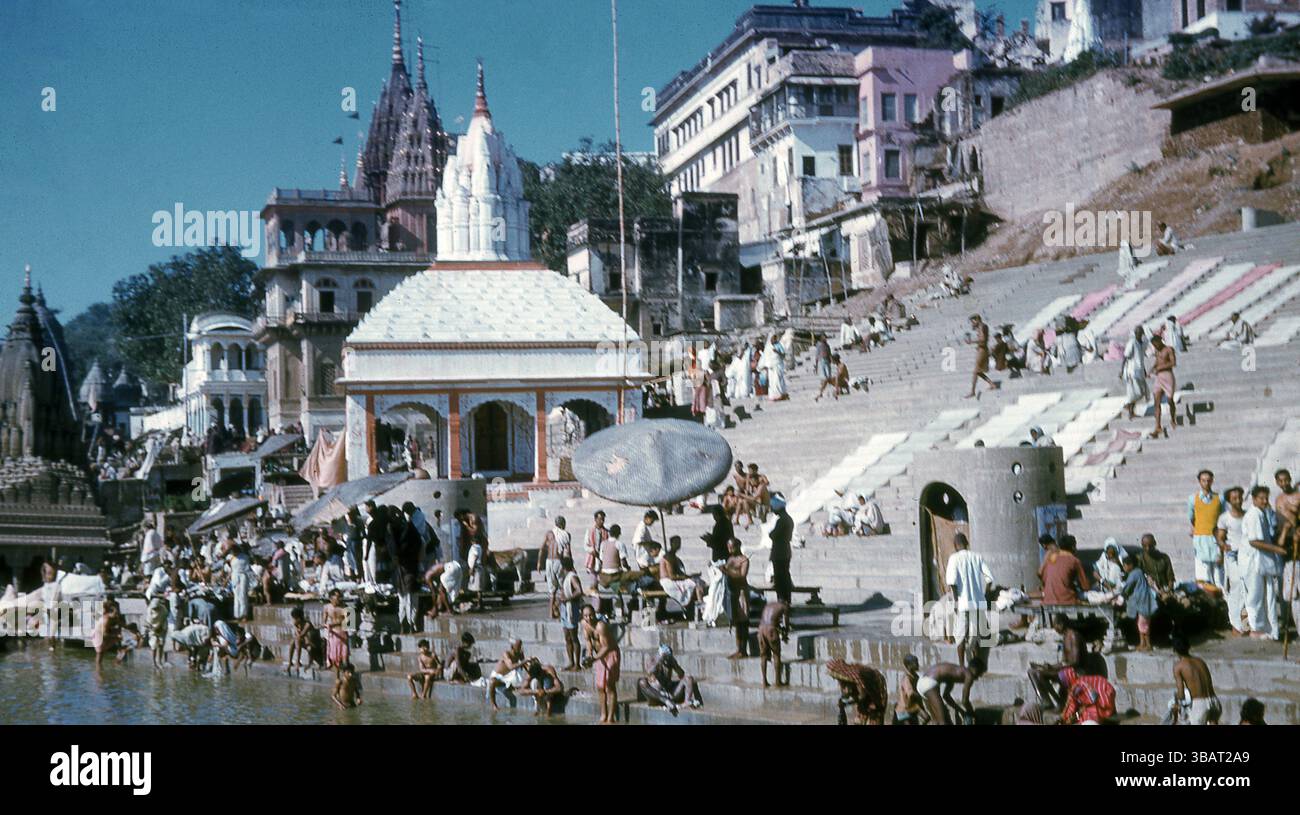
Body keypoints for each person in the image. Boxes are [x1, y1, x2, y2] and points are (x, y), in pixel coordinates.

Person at [1241, 485, 1284, 640]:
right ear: (1253, 499)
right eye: (1261, 498)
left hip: (1261, 561)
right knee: (1255, 597)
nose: (1265, 501)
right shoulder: (1253, 515)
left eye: (1266, 498)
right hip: (1252, 562)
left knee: (1266, 595)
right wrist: (1276, 549)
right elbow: (1254, 541)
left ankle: (1266, 628)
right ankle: (1255, 628)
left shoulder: (1262, 513)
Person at [945, 532, 993, 667]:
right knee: (975, 636)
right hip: (977, 603)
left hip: (963, 604)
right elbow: (989, 579)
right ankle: (975, 665)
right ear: (967, 543)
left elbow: (952, 582)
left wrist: (955, 601)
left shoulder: (954, 559)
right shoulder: (977, 557)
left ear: (955, 546)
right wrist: (984, 595)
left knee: (960, 637)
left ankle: (961, 666)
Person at [1217, 486, 1251, 636]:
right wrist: (1223, 546)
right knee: (1236, 588)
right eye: (1234, 498)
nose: (1237, 500)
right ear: (1229, 500)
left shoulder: (1248, 515)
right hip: (1233, 557)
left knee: (1249, 589)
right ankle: (1235, 626)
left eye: (1239, 497)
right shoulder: (1225, 518)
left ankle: (1246, 625)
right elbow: (1220, 537)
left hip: (1248, 555)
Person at [637, 644, 702, 715]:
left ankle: (687, 701)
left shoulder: (670, 661)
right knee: (642, 682)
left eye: (669, 656)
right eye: (666, 657)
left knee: (688, 679)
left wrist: (675, 665)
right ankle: (666, 701)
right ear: (660, 655)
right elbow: (649, 672)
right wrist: (659, 661)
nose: (667, 659)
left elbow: (681, 675)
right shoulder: (652, 660)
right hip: (656, 695)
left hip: (670, 692)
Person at [917, 657, 985, 725]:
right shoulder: (969, 675)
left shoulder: (954, 672)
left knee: (935, 721)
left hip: (921, 682)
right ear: (976, 669)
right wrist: (971, 713)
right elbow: (965, 701)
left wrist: (960, 710)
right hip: (929, 684)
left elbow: (946, 696)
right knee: (942, 722)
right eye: (980, 673)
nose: (979, 677)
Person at [1169, 635, 1220, 724]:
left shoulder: (1178, 666)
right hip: (1213, 701)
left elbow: (1181, 694)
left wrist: (1176, 702)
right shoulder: (1200, 661)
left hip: (1199, 705)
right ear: (1188, 646)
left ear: (1175, 650)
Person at [584, 604, 621, 723]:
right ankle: (603, 715)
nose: (589, 618)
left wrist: (593, 659)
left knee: (610, 686)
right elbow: (588, 642)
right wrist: (589, 656)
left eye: (591, 615)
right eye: (586, 616)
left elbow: (606, 647)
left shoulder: (601, 626)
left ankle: (611, 717)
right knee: (600, 687)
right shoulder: (584, 625)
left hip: (610, 654)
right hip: (599, 656)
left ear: (594, 614)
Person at [1188, 469, 1225, 588]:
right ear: (1199, 482)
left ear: (1212, 481)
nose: (1206, 483)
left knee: (1218, 575)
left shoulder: (1219, 498)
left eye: (1209, 480)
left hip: (1215, 539)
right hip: (1200, 538)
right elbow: (1192, 517)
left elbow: (1222, 517)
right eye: (1203, 480)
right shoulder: (1193, 499)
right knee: (1203, 574)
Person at [826, 659, 890, 725]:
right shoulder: (847, 681)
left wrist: (848, 702)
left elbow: (861, 696)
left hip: (874, 704)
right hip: (864, 707)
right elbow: (849, 695)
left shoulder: (859, 681)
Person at [1119, 554, 1158, 652]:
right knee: (1143, 623)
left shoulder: (1134, 574)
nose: (1124, 568)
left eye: (1124, 566)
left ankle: (1147, 644)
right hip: (1145, 600)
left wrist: (1121, 593)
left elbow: (1127, 587)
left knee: (1142, 624)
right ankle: (1143, 643)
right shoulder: (1139, 571)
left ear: (1130, 565)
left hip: (1142, 601)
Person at [1038, 534, 1089, 605]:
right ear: (1073, 547)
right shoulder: (1074, 560)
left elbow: (1042, 575)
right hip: (1066, 599)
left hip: (1047, 598)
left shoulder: (1051, 557)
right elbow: (1085, 586)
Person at [723, 538, 750, 658]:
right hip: (732, 593)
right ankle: (738, 649)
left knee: (743, 621)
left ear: (738, 546)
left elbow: (742, 575)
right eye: (728, 547)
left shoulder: (744, 560)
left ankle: (743, 650)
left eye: (731, 547)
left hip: (742, 593)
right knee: (737, 623)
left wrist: (728, 571)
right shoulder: (730, 559)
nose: (729, 550)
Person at [556, 556, 584, 670]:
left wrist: (568, 598)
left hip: (571, 609)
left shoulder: (572, 577)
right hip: (564, 611)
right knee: (567, 637)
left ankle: (577, 664)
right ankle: (571, 662)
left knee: (573, 637)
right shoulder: (566, 577)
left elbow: (579, 590)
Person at [486, 639, 528, 710]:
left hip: (509, 677)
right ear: (512, 647)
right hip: (498, 677)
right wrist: (524, 661)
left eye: (521, 646)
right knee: (492, 682)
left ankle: (511, 686)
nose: (520, 648)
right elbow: (510, 666)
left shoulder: (520, 654)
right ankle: (494, 705)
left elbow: (525, 666)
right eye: (518, 646)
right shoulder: (506, 654)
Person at [1149, 333, 1176, 438]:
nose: (1155, 346)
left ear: (1160, 341)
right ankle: (1157, 426)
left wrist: (1160, 368)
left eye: (1156, 344)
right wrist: (1151, 369)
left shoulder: (1169, 349)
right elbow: (1157, 361)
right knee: (1156, 401)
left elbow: (1173, 363)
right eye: (1153, 345)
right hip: (1159, 378)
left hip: (1168, 376)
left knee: (1170, 400)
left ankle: (1173, 419)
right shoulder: (1157, 351)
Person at [965, 315, 999, 398]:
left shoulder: (982, 326)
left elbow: (983, 340)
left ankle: (972, 391)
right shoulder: (981, 327)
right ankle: (992, 384)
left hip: (982, 351)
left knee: (976, 371)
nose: (972, 324)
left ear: (977, 320)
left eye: (973, 321)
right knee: (978, 371)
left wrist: (971, 341)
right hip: (981, 350)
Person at [768, 492, 794, 605]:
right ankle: (786, 601)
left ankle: (782, 602)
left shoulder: (782, 520)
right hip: (785, 551)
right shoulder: (788, 519)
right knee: (785, 575)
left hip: (779, 552)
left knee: (780, 578)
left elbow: (773, 535)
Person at [758, 598, 789, 688]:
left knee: (763, 656)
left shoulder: (769, 604)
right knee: (776, 655)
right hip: (771, 630)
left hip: (760, 629)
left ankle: (764, 682)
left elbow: (768, 619)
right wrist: (785, 634)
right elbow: (786, 624)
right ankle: (777, 681)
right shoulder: (784, 606)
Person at [288, 605, 325, 674]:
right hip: (306, 642)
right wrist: (296, 627)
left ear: (299, 618)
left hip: (314, 644)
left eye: (294, 618)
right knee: (292, 642)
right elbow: (297, 635)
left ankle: (297, 661)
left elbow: (301, 635)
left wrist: (297, 629)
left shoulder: (307, 624)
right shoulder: (297, 624)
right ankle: (290, 662)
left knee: (297, 640)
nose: (293, 620)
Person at [322, 589, 351, 669]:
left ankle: (347, 673)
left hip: (342, 633)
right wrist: (325, 625)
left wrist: (334, 624)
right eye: (336, 597)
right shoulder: (326, 607)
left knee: (345, 657)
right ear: (331, 598)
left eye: (339, 597)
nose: (338, 599)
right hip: (332, 634)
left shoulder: (346, 607)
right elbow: (323, 621)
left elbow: (349, 623)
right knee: (335, 658)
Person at [895, 655, 927, 724]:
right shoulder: (906, 678)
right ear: (909, 666)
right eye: (916, 663)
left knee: (927, 717)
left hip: (913, 706)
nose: (918, 664)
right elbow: (910, 693)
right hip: (904, 709)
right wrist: (921, 696)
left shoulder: (916, 677)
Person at [583, 511, 609, 585]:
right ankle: (595, 594)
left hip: (602, 558)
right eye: (600, 519)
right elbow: (585, 545)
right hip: (592, 557)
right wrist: (592, 550)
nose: (602, 521)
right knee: (593, 580)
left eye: (603, 519)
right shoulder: (590, 530)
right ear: (595, 519)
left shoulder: (607, 532)